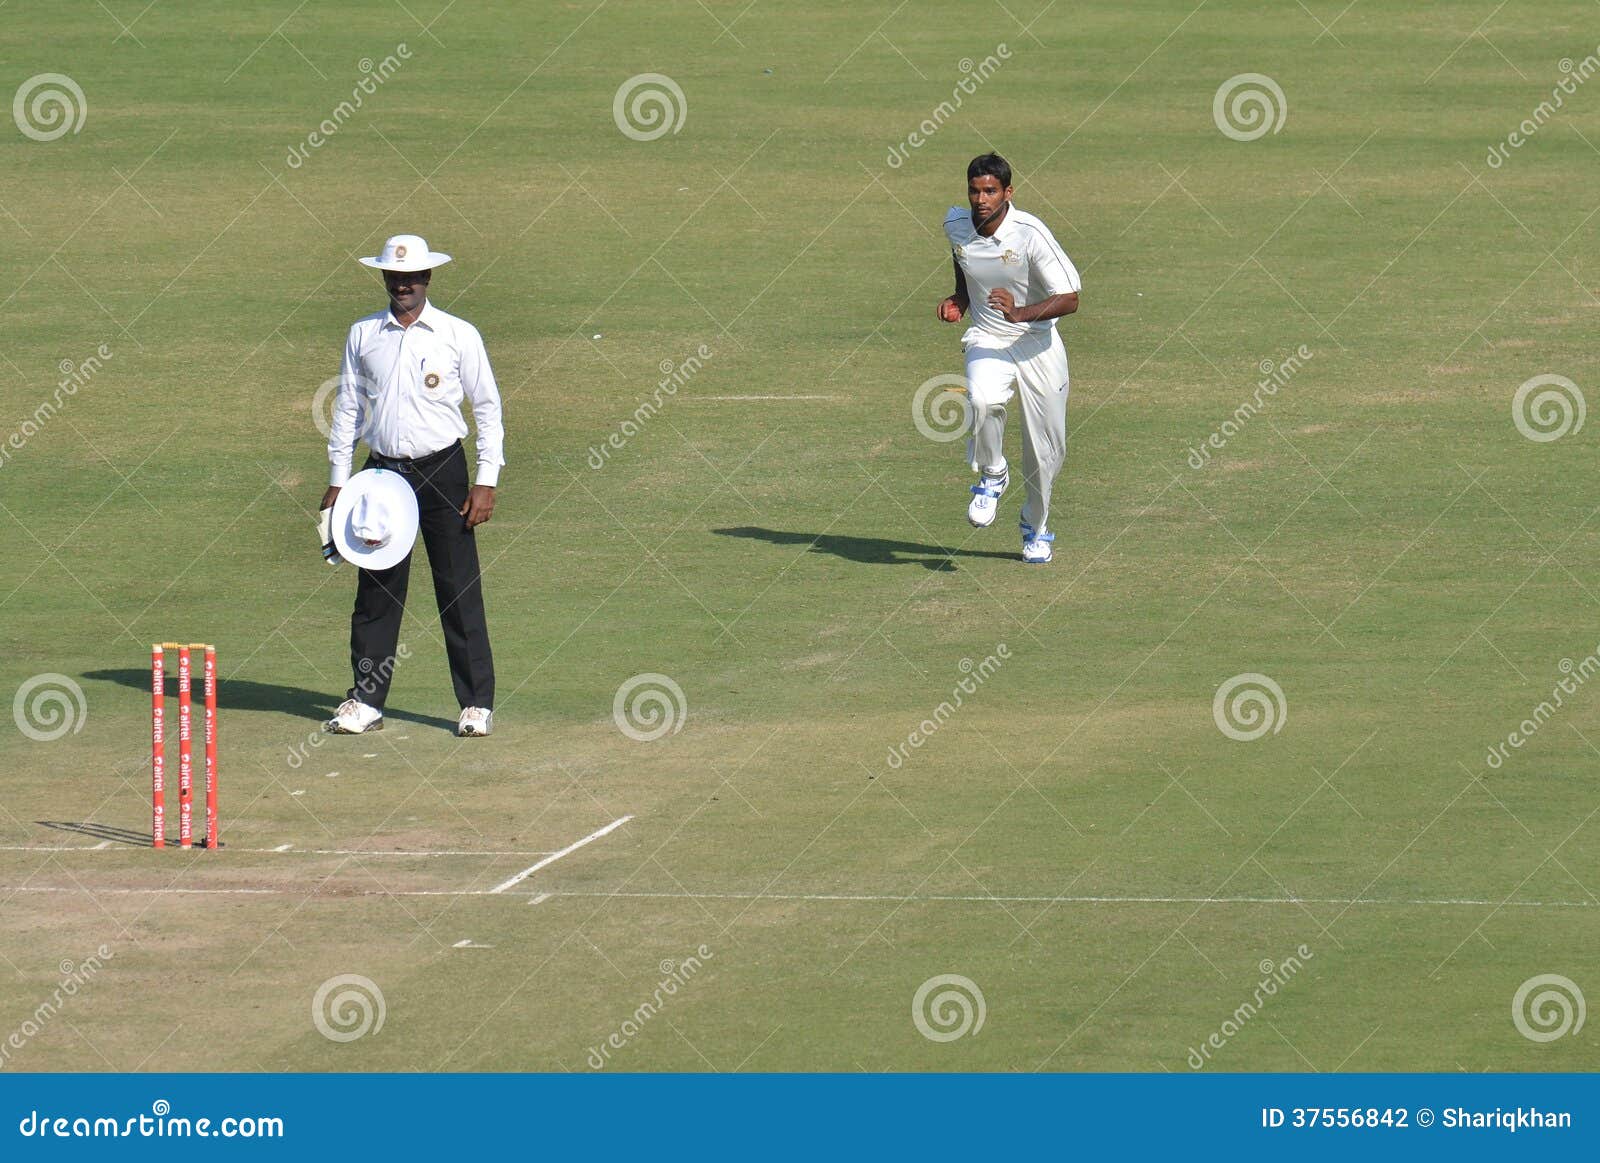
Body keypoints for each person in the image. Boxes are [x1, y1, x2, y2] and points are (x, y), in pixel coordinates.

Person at [319, 233, 504, 736]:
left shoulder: (458, 334)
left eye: (412, 277)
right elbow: (349, 408)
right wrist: (339, 480)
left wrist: (486, 479)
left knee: (457, 586)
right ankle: (365, 701)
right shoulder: (363, 335)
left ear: (427, 279)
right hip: (381, 475)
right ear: (384, 277)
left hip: (444, 470)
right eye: (395, 276)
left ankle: (475, 704)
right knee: (376, 589)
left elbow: (487, 409)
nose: (403, 284)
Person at [937, 153, 1081, 564]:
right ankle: (992, 472)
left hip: (1038, 344)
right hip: (988, 337)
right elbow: (962, 259)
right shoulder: (955, 225)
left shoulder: (1030, 233)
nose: (980, 199)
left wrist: (1020, 312)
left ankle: (1035, 529)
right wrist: (962, 299)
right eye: (974, 190)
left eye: (990, 191)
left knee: (1045, 452)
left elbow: (1070, 298)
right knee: (982, 400)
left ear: (1007, 193)